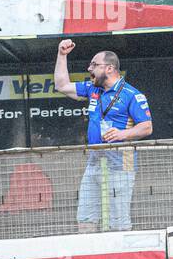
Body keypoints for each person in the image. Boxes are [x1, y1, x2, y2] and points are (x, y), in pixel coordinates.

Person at [53, 40, 153, 232]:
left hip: (121, 163)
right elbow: (61, 85)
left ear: (109, 68)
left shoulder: (131, 94)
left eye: (94, 65)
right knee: (85, 219)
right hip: (95, 161)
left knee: (118, 221)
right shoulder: (93, 89)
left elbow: (147, 127)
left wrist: (122, 134)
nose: (89, 68)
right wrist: (62, 54)